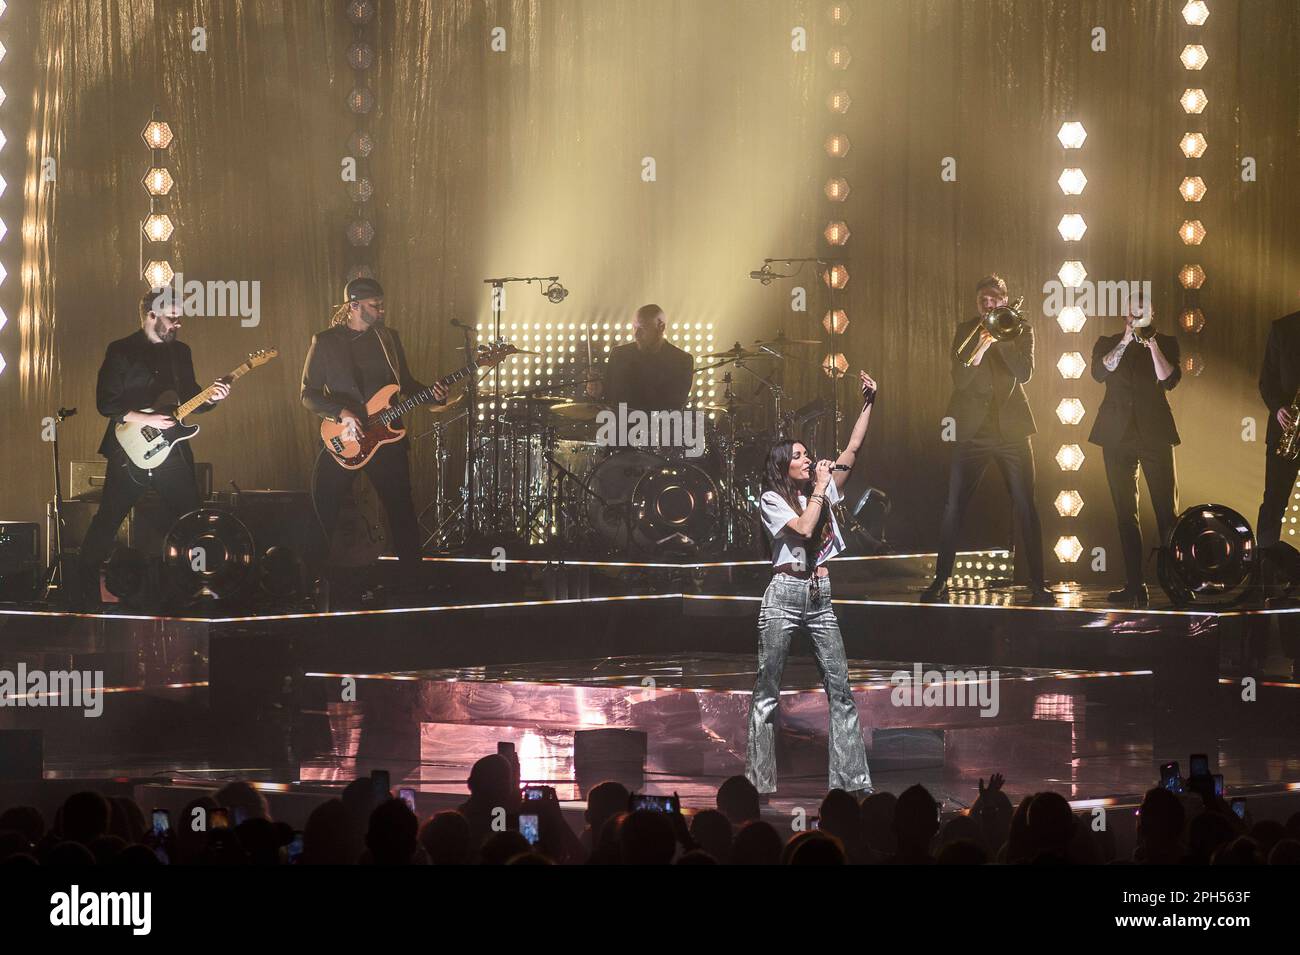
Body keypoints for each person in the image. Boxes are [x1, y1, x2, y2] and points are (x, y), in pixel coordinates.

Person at [745, 371, 876, 796]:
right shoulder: (772, 499)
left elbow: (853, 450)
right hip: (784, 595)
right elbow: (803, 529)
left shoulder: (820, 491)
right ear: (784, 463)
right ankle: (759, 785)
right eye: (799, 454)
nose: (807, 458)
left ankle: (852, 782)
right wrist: (820, 486)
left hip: (821, 597)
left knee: (841, 690)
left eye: (807, 453)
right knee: (767, 692)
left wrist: (868, 404)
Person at [77, 291, 231, 603]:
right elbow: (106, 403)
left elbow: (190, 399)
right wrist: (146, 417)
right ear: (151, 315)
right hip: (128, 448)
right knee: (108, 520)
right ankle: (80, 596)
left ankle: (197, 591)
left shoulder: (181, 352)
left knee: (192, 520)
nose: (178, 322)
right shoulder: (121, 350)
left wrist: (210, 400)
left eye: (179, 316)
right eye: (172, 316)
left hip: (171, 450)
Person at [301, 277, 445, 579]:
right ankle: (310, 584)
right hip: (342, 437)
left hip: (386, 438)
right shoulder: (325, 341)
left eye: (381, 304)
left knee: (401, 509)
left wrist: (431, 393)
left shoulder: (388, 339)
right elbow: (308, 394)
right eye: (374, 305)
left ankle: (412, 581)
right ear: (353, 306)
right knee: (322, 508)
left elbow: (404, 383)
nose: (381, 310)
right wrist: (342, 414)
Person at [922, 274, 1052, 605]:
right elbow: (961, 379)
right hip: (972, 433)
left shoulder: (1021, 329)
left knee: (1026, 506)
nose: (989, 304)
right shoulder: (966, 330)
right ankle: (941, 580)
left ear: (1005, 301)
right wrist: (982, 341)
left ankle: (1038, 583)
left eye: (994, 299)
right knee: (954, 507)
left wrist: (1003, 336)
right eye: (983, 300)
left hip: (1012, 433)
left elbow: (1025, 373)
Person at [1089, 292, 1181, 607]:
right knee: (1126, 514)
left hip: (1155, 433)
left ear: (1153, 313)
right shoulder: (1107, 342)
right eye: (1132, 312)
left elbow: (1169, 379)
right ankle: (1134, 585)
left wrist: (1151, 342)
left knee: (1167, 512)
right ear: (1125, 314)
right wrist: (1127, 340)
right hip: (1116, 435)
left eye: (1142, 312)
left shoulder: (1166, 342)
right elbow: (1099, 372)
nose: (1137, 316)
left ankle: (1176, 583)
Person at [588, 303, 694, 414]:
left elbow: (673, 405)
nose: (636, 334)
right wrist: (599, 391)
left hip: (658, 428)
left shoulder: (681, 360)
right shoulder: (619, 354)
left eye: (642, 328)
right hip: (621, 427)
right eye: (634, 327)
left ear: (661, 327)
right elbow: (609, 397)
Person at [1256, 308, 1300, 548]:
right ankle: (1264, 569)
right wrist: (1278, 408)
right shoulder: (1282, 328)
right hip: (1286, 429)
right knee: (1274, 500)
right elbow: (1266, 380)